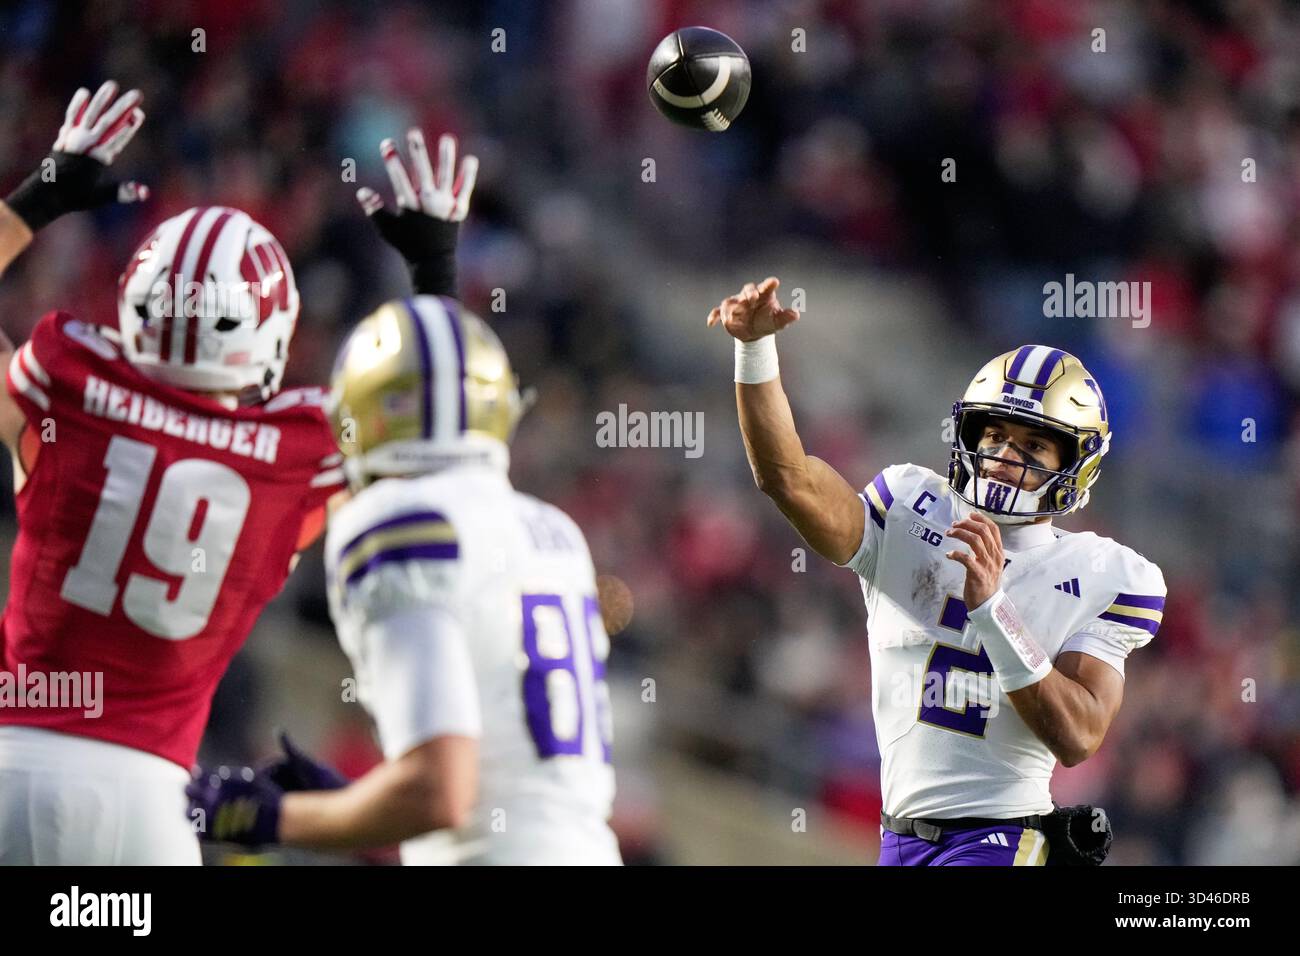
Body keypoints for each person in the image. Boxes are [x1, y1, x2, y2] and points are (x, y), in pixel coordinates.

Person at [186, 131, 621, 865]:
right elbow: (488, 769)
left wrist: (274, 817)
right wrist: (434, 273)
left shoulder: (395, 526)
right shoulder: (550, 529)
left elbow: (437, 794)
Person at [0, 82, 345, 864]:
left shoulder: (68, 379)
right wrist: (436, 266)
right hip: (143, 807)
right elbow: (438, 420)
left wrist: (39, 196)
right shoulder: (301, 452)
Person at [709, 277, 1165, 866]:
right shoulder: (909, 505)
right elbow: (786, 477)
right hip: (895, 839)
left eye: (1032, 446)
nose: (1004, 456)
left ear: (1074, 466)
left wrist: (994, 609)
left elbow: (1078, 736)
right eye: (995, 434)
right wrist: (753, 350)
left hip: (998, 839)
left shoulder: (1101, 572)